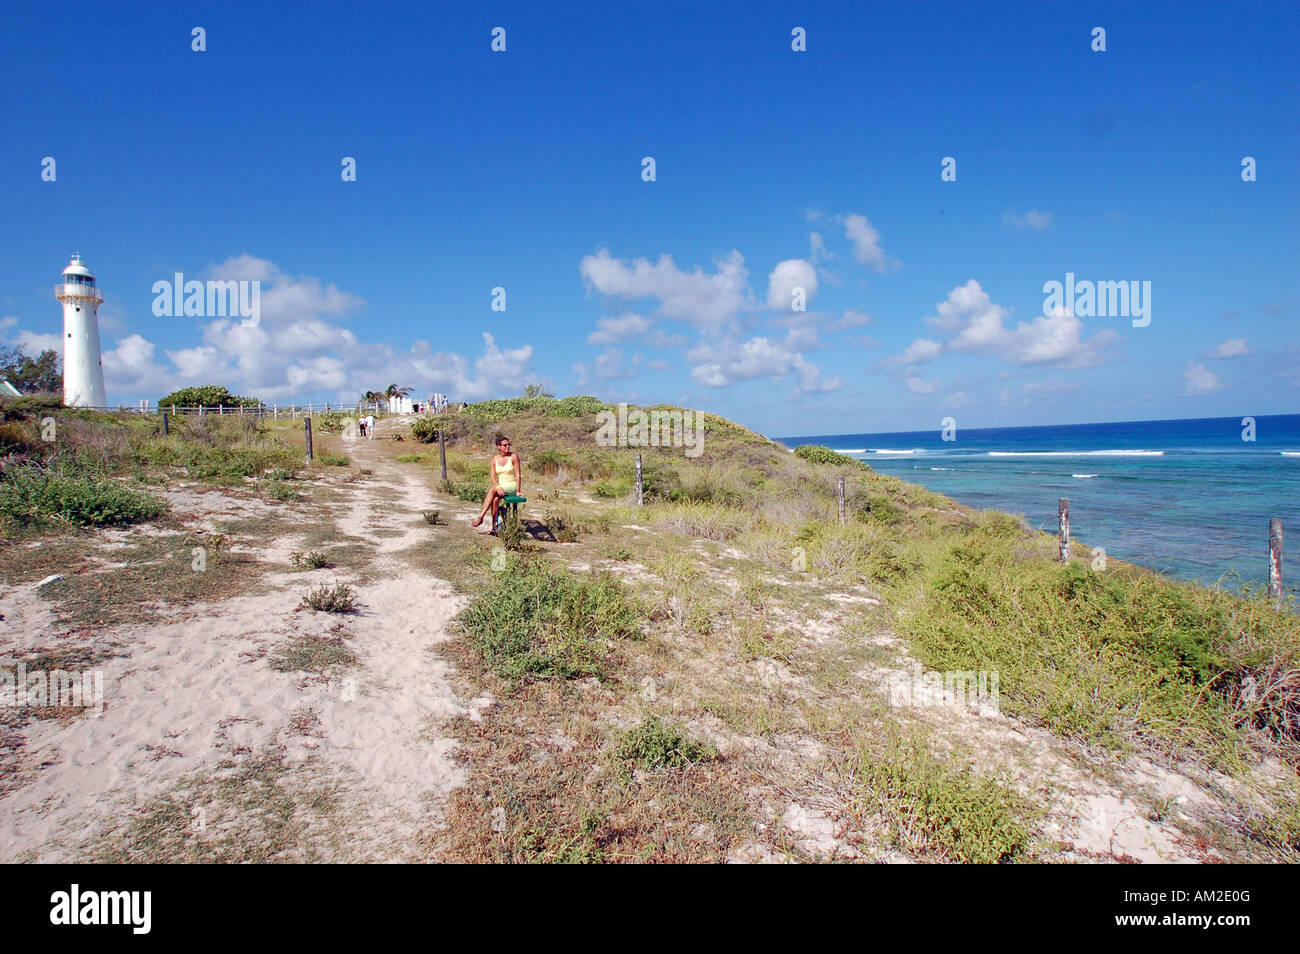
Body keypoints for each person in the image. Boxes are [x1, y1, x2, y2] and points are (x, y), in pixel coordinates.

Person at [471, 433, 522, 533]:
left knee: (492, 490)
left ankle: (481, 516)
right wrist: (498, 486)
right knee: (494, 499)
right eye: (505, 445)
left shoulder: (513, 457)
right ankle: (495, 528)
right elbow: (493, 478)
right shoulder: (494, 459)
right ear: (499, 447)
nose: (507, 447)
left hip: (511, 486)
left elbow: (518, 475)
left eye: (508, 445)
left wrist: (518, 490)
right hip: (501, 487)